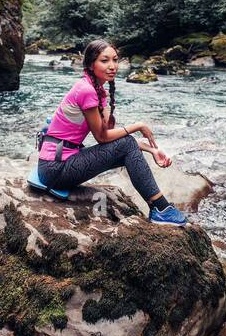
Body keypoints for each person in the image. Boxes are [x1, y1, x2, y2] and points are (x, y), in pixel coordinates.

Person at [37, 38, 188, 225]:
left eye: (115, 60)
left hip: (61, 162)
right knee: (126, 142)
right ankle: (161, 208)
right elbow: (102, 138)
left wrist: (152, 150)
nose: (112, 66)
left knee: (127, 143)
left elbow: (111, 138)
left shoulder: (95, 89)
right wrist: (139, 125)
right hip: (55, 170)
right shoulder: (86, 90)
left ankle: (160, 208)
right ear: (91, 64)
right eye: (104, 60)